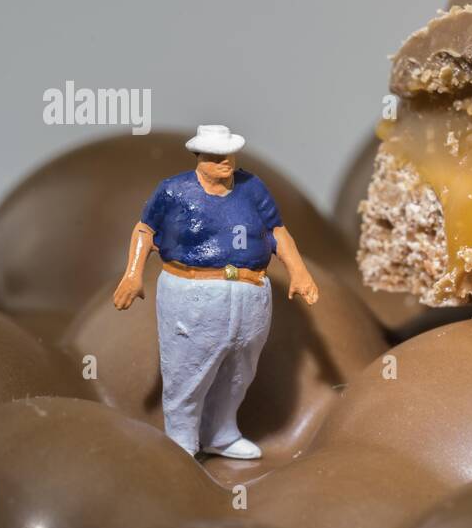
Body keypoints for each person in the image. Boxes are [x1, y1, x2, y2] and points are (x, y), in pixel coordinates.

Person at [112, 124, 319, 459]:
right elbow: (145, 229)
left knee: (240, 369)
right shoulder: (174, 191)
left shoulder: (252, 188)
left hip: (250, 289)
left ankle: (221, 433)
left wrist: (299, 271)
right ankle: (181, 440)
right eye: (217, 157)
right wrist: (133, 273)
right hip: (192, 290)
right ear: (200, 157)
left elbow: (276, 230)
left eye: (229, 155)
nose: (226, 162)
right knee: (187, 370)